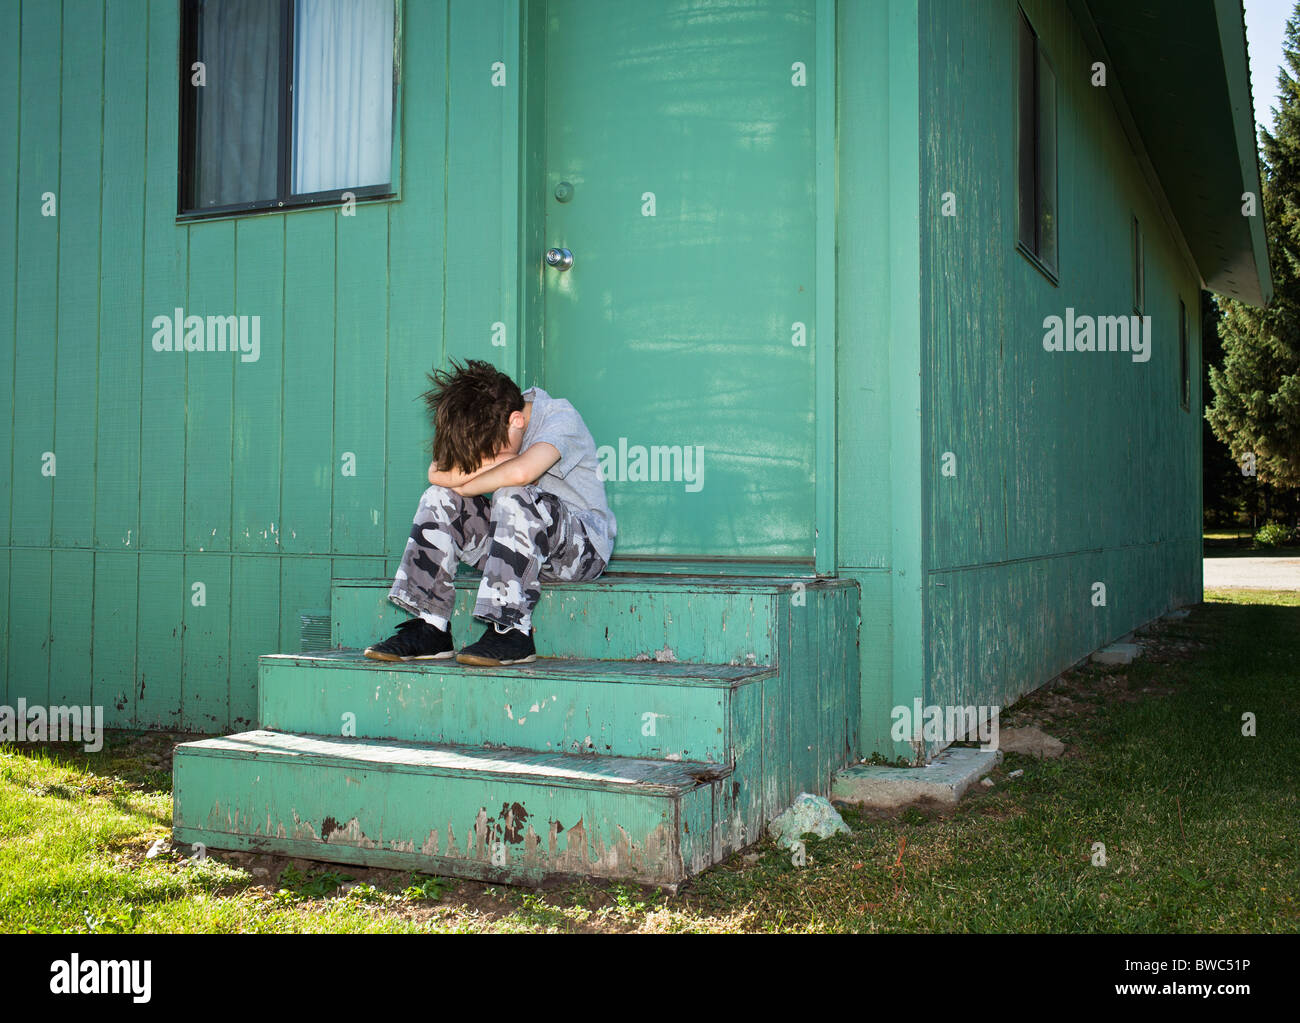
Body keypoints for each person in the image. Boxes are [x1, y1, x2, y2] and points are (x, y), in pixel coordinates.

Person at [364, 358, 616, 666]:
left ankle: (512, 630)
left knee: (513, 493)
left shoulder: (560, 418)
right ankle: (431, 625)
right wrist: (482, 470)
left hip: (580, 552)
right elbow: (437, 473)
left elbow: (523, 472)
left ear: (516, 421)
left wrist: (469, 480)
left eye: (491, 452)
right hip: (514, 548)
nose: (485, 461)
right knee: (438, 497)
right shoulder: (484, 414)